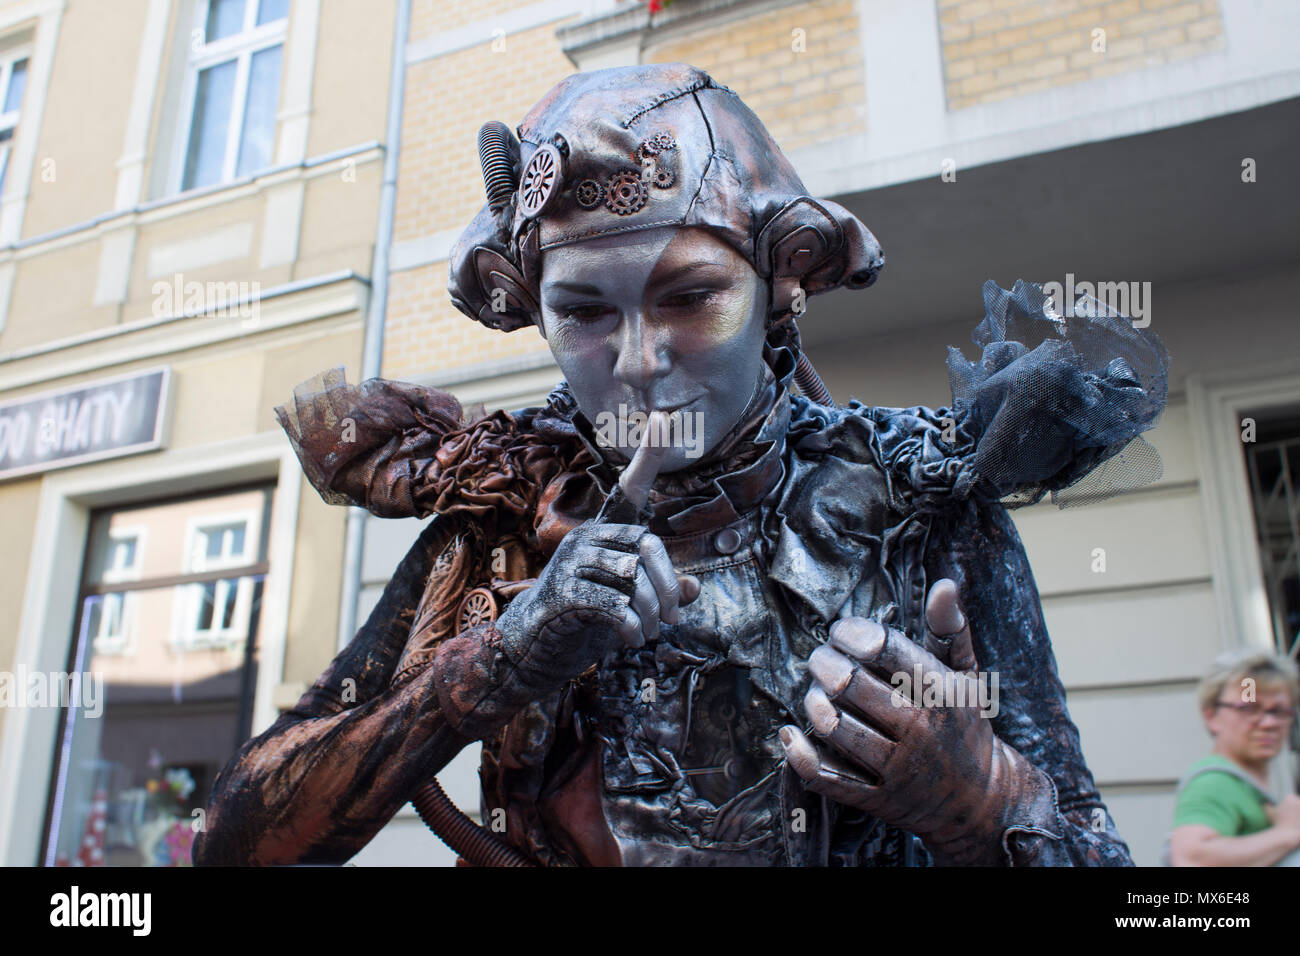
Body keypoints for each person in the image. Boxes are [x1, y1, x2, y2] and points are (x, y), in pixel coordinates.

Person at [193, 63, 1170, 866]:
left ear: (777, 285)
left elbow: (1101, 857)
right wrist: (488, 666)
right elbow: (232, 846)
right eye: (583, 311)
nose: (637, 358)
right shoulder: (505, 515)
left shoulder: (918, 501)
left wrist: (982, 797)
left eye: (689, 295)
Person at [1168, 648, 1300, 866]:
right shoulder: (1214, 782)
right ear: (1211, 716)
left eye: (1278, 711)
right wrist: (1289, 833)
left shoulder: (1248, 783)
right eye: (1249, 708)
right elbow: (1191, 858)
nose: (1268, 723)